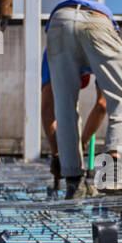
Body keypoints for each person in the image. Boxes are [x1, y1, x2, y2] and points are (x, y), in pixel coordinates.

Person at [44, 0, 122, 199]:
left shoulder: (49, 55)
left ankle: (73, 184)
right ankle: (112, 173)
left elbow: (51, 109)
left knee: (65, 107)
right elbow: (104, 104)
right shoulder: (97, 54)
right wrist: (59, 152)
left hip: (58, 23)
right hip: (97, 23)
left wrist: (62, 153)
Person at [41, 51, 106, 187]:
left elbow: (47, 108)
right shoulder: (102, 51)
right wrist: (81, 145)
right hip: (98, 39)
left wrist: (57, 154)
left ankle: (72, 174)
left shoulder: (55, 49)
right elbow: (102, 105)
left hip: (62, 42)